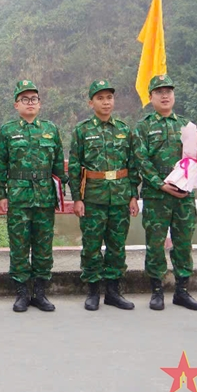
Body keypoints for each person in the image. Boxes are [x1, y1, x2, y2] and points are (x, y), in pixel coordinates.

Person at [133, 74, 197, 311]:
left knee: (183, 242)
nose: (165, 95)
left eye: (168, 91)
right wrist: (159, 183)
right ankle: (157, 291)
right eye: (159, 92)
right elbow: (141, 160)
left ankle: (182, 291)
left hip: (184, 195)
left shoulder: (187, 126)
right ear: (151, 97)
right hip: (158, 195)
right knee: (155, 244)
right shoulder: (144, 127)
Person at [0, 80, 67, 312]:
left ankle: (41, 292)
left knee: (44, 245)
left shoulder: (50, 130)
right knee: (19, 245)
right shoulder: (7, 131)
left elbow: (58, 168)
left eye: (33, 99)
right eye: (25, 99)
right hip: (18, 197)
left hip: (44, 197)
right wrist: (2, 194)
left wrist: (60, 193)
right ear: (16, 105)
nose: (30, 103)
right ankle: (22, 293)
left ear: (40, 103)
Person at [68, 80, 139, 312]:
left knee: (117, 246)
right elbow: (75, 167)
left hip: (119, 197)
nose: (106, 102)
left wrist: (132, 195)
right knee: (91, 246)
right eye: (100, 98)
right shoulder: (82, 130)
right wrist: (77, 198)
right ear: (91, 102)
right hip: (93, 198)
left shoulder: (124, 130)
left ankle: (113, 291)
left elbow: (132, 165)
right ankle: (92, 292)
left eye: (109, 97)